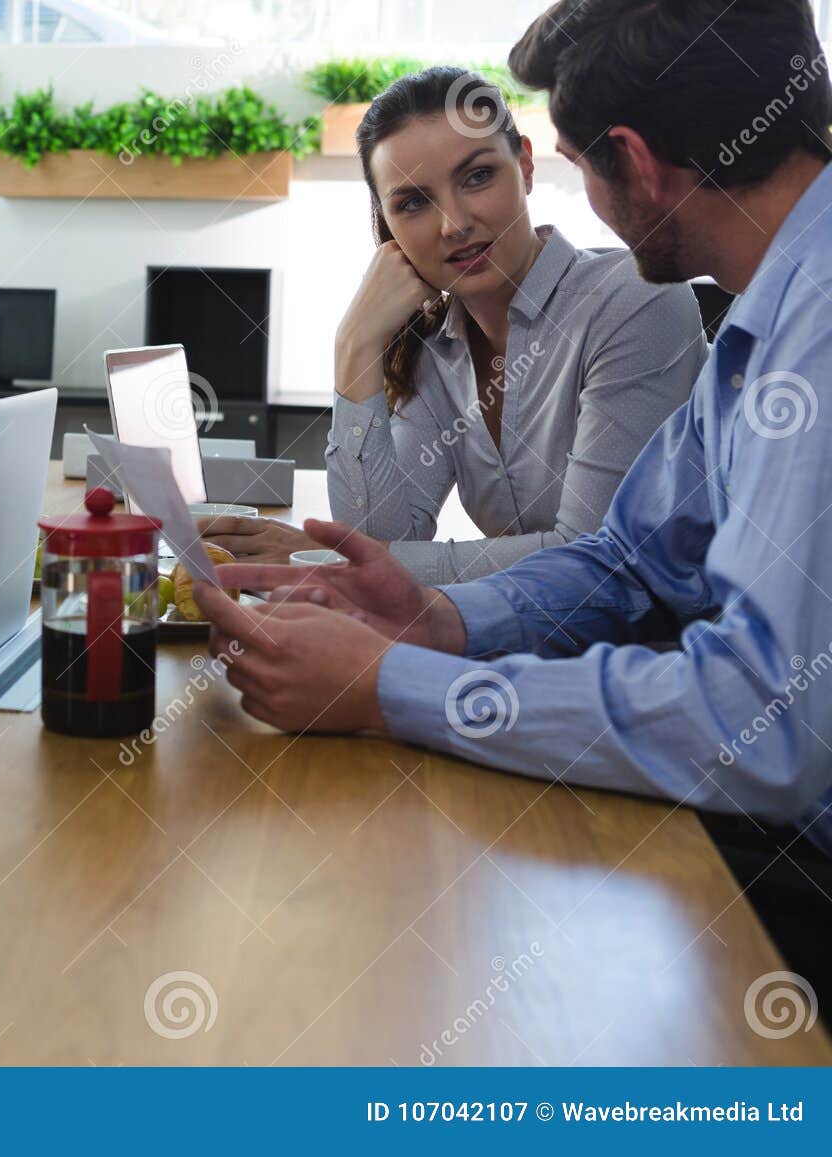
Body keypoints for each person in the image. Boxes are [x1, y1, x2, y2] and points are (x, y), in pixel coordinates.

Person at [199, 0, 832, 1002]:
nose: (453, 221)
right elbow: (626, 557)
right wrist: (436, 618)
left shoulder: (807, 333)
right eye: (411, 201)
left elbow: (766, 722)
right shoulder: (770, 315)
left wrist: (393, 685)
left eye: (571, 162)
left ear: (629, 158)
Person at [201, 67, 706, 584]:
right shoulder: (436, 346)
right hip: (522, 642)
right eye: (413, 202)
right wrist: (355, 345)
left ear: (526, 166)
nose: (454, 224)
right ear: (387, 223)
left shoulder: (635, 299)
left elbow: (593, 558)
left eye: (478, 176)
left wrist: (332, 560)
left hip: (663, 652)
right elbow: (379, 532)